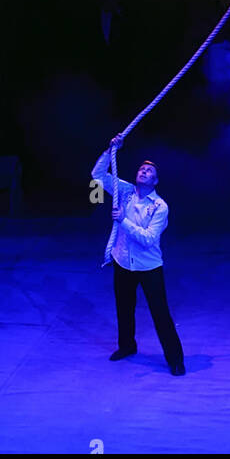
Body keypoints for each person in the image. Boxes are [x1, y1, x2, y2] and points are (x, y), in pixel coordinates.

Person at [91, 134, 185, 375]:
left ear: (155, 181)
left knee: (160, 314)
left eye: (149, 172)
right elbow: (98, 176)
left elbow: (148, 239)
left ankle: (175, 359)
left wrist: (123, 220)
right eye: (142, 169)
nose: (143, 172)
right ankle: (127, 347)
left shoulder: (160, 207)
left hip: (148, 267)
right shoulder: (125, 192)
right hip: (122, 261)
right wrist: (111, 149)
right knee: (124, 308)